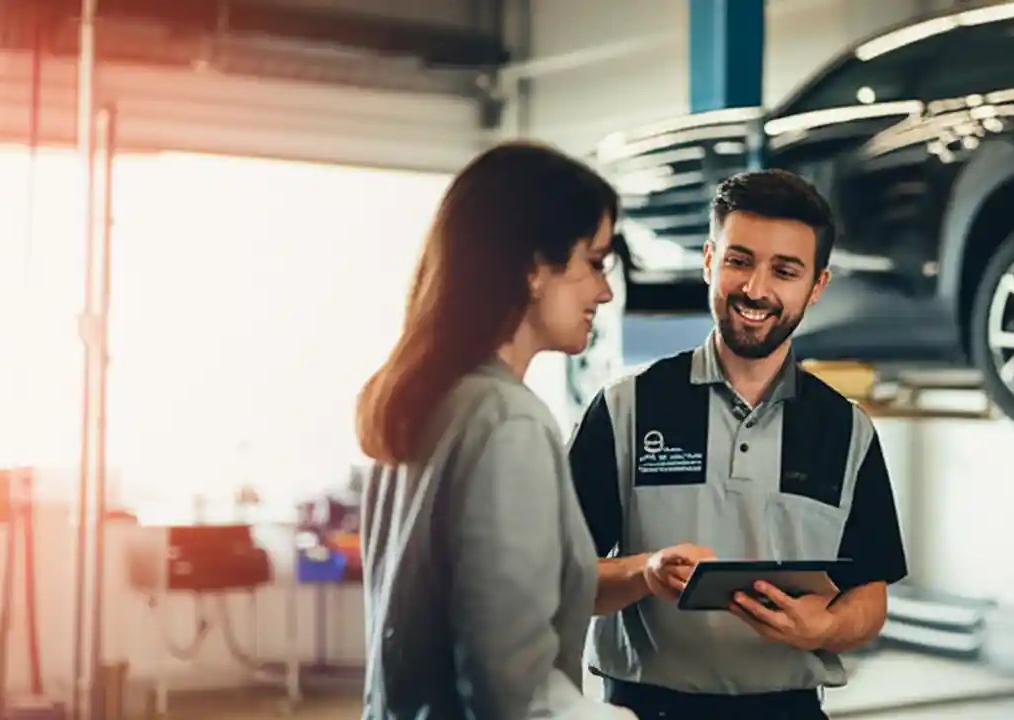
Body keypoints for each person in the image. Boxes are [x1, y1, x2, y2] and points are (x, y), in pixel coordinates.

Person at [567, 169, 909, 719]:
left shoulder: (847, 431)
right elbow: (560, 581)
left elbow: (869, 597)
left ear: (816, 286)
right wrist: (644, 573)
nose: (755, 289)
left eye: (785, 271)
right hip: (646, 710)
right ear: (709, 261)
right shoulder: (625, 408)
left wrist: (826, 627)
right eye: (739, 261)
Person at [356, 141, 636, 720]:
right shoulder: (509, 422)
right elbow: (512, 689)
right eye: (595, 262)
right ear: (534, 268)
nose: (604, 291)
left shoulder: (422, 401)